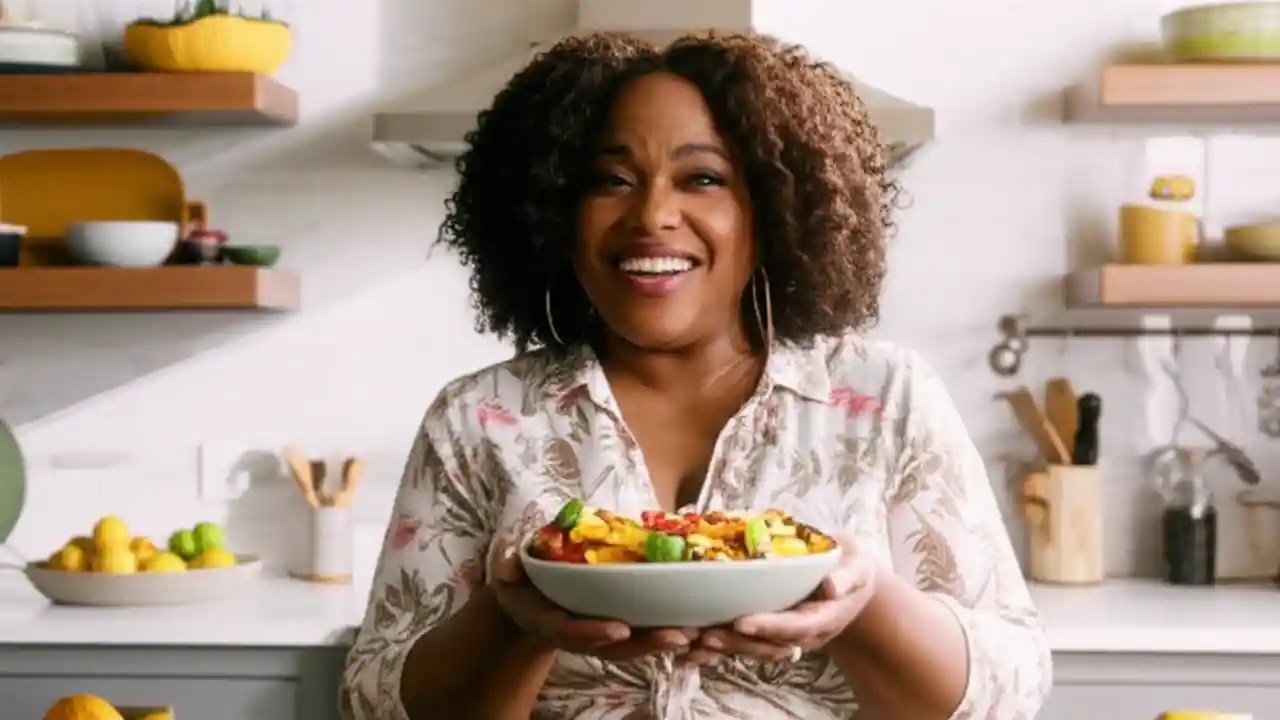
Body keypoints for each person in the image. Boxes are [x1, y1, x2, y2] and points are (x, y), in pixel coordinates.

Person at [341, 31, 1051, 720]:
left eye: (703, 178)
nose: (652, 215)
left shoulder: (887, 397)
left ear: (775, 211)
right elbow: (376, 701)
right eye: (610, 180)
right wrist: (515, 619)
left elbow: (1007, 691)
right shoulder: (479, 419)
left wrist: (861, 601)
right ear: (554, 212)